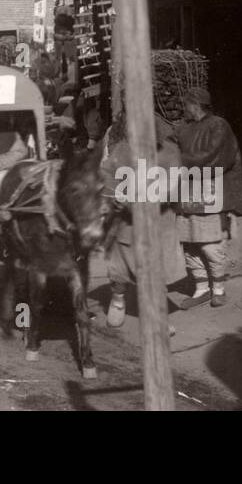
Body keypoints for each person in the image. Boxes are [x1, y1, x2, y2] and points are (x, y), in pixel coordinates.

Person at [100, 115, 187, 330]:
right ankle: (118, 300)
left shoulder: (169, 152)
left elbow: (172, 189)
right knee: (120, 267)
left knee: (156, 271)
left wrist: (134, 203)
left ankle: (157, 315)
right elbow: (108, 175)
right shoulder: (123, 149)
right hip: (126, 225)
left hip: (158, 221)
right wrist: (114, 197)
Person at [175, 87, 242, 309]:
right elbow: (169, 147)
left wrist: (180, 161)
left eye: (187, 104)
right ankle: (202, 288)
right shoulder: (184, 128)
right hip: (188, 192)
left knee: (211, 246)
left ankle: (219, 289)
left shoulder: (218, 125)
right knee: (190, 244)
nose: (184, 109)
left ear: (195, 105)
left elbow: (213, 157)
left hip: (211, 191)